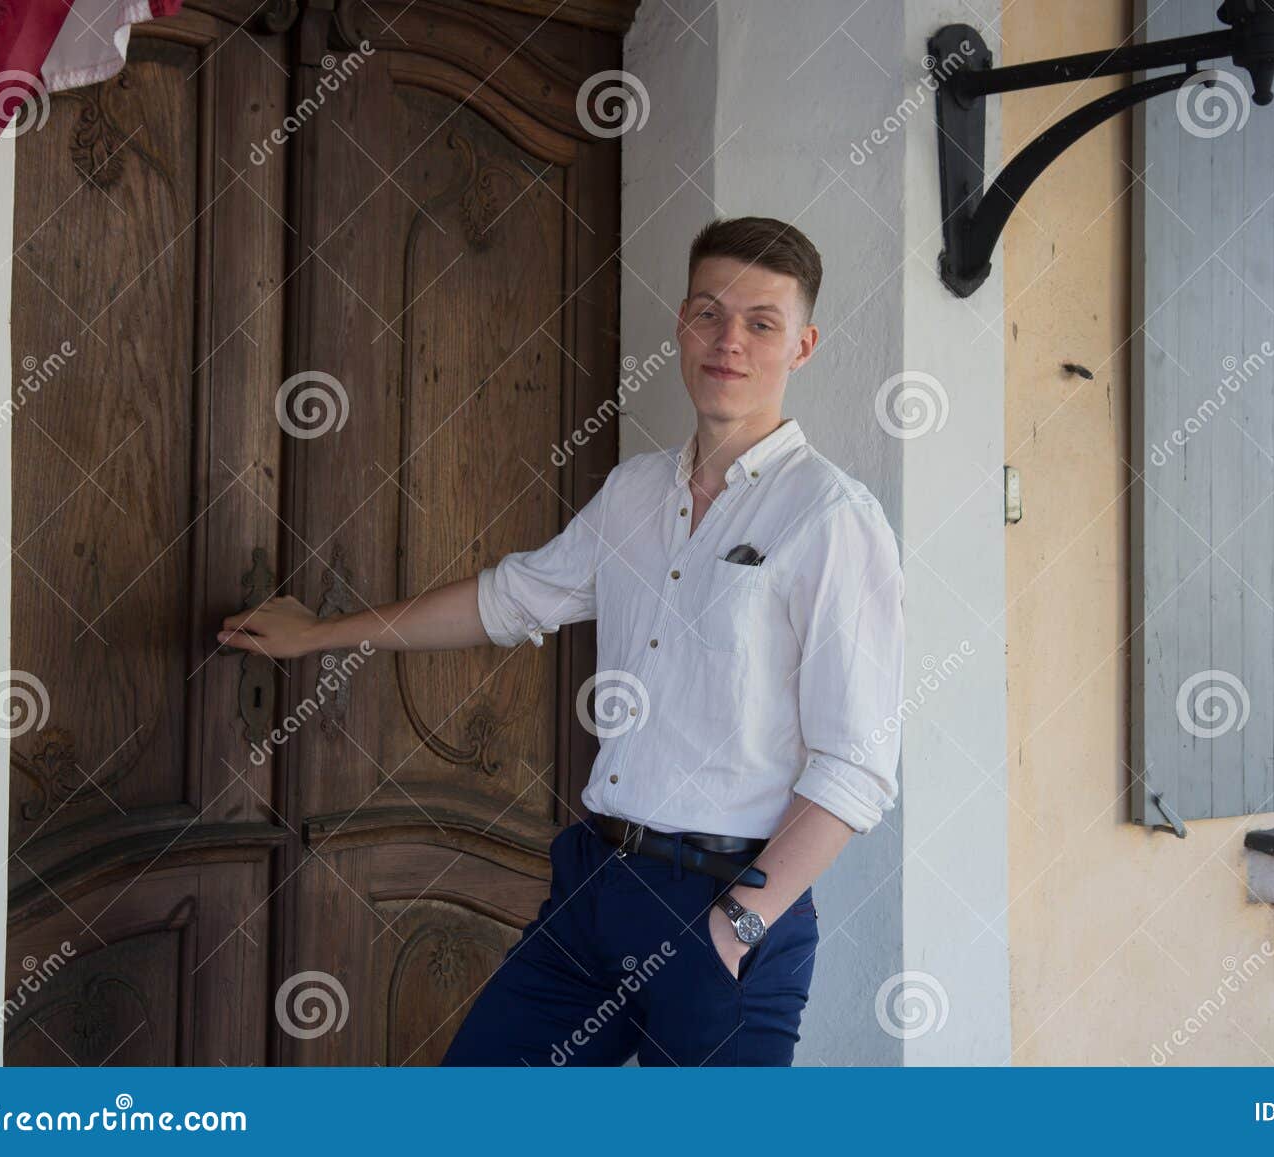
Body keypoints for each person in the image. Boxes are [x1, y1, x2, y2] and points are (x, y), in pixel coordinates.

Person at [216, 216, 905, 1066]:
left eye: (761, 323)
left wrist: (735, 927)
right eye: (708, 314)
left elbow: (856, 764)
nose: (729, 341)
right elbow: (507, 600)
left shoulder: (832, 517)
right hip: (595, 889)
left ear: (801, 346)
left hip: (724, 908)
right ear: (681, 325)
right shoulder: (633, 492)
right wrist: (320, 636)